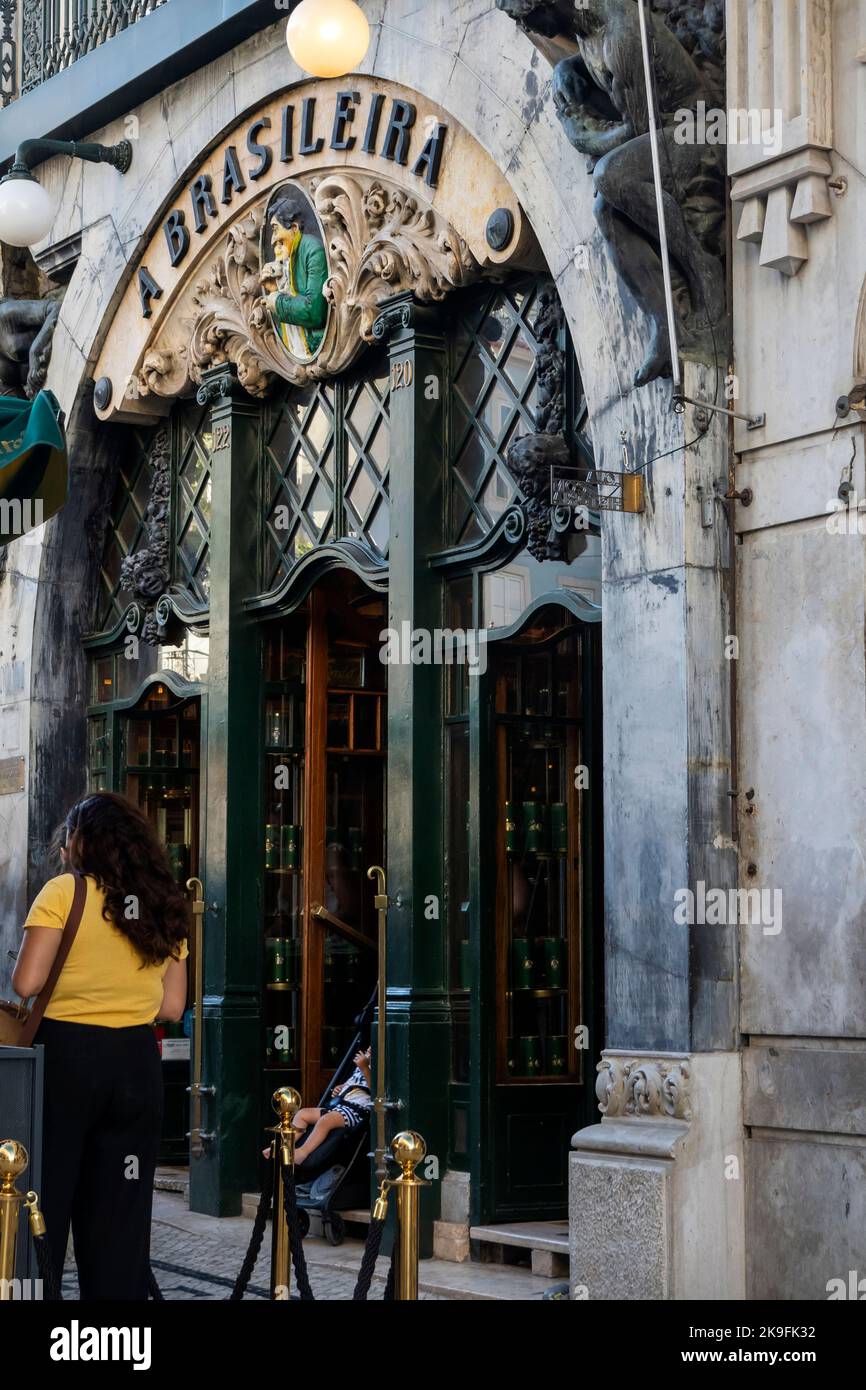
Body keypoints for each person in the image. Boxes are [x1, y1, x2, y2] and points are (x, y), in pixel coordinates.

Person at [11, 792, 190, 1301]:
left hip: (65, 1060)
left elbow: (26, 983)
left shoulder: (64, 892)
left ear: (82, 841)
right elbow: (173, 1006)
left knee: (40, 1208)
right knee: (120, 1220)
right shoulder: (163, 902)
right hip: (136, 1065)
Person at [259, 194, 328, 361]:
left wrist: (277, 301)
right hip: (298, 359)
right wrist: (274, 289)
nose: (273, 239)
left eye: (275, 230)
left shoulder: (312, 249)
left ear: (294, 228)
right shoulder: (287, 258)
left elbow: (314, 311)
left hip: (319, 347)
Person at [293, 1047, 372, 1167]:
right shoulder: (358, 1069)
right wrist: (340, 1088)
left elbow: (377, 1092)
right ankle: (284, 1146)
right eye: (367, 1051)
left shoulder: (375, 1071)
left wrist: (365, 1068)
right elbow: (352, 1084)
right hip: (341, 1105)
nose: (367, 1054)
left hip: (356, 1111)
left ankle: (303, 1152)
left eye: (371, 1053)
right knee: (302, 1114)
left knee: (326, 1120)